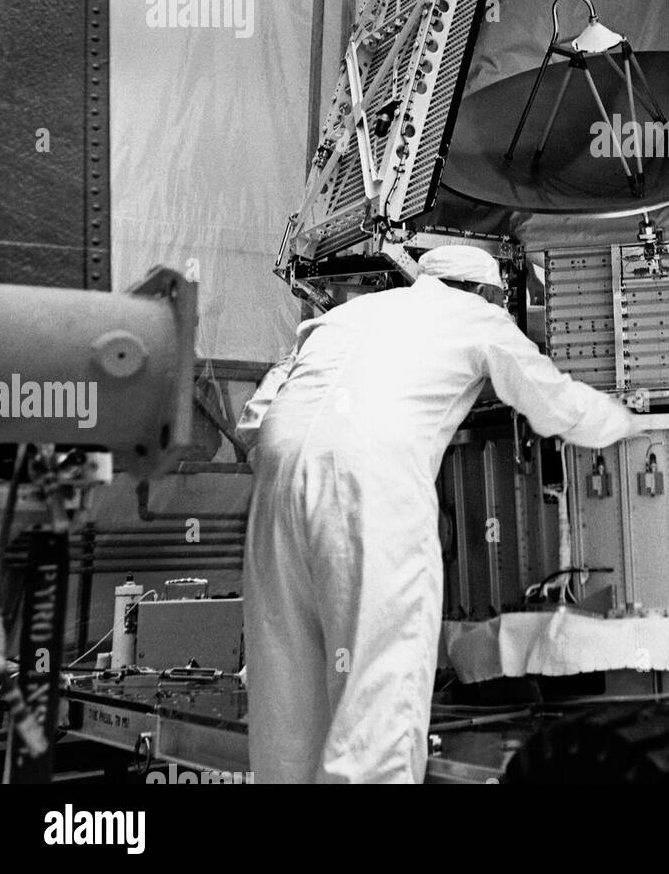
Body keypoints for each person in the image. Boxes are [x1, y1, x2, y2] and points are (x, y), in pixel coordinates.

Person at [241, 244, 639, 783]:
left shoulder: (347, 315)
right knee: (379, 690)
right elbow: (557, 403)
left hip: (276, 482)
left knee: (287, 690)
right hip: (371, 485)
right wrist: (628, 423)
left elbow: (256, 419)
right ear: (485, 292)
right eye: (502, 299)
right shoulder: (476, 316)